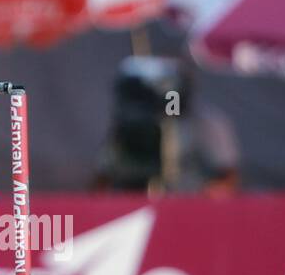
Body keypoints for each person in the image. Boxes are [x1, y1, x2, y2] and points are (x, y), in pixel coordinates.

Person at [94, 55, 240, 196]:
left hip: (187, 202)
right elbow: (104, 173)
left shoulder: (206, 123)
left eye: (170, 86)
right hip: (134, 202)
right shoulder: (128, 124)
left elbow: (227, 176)